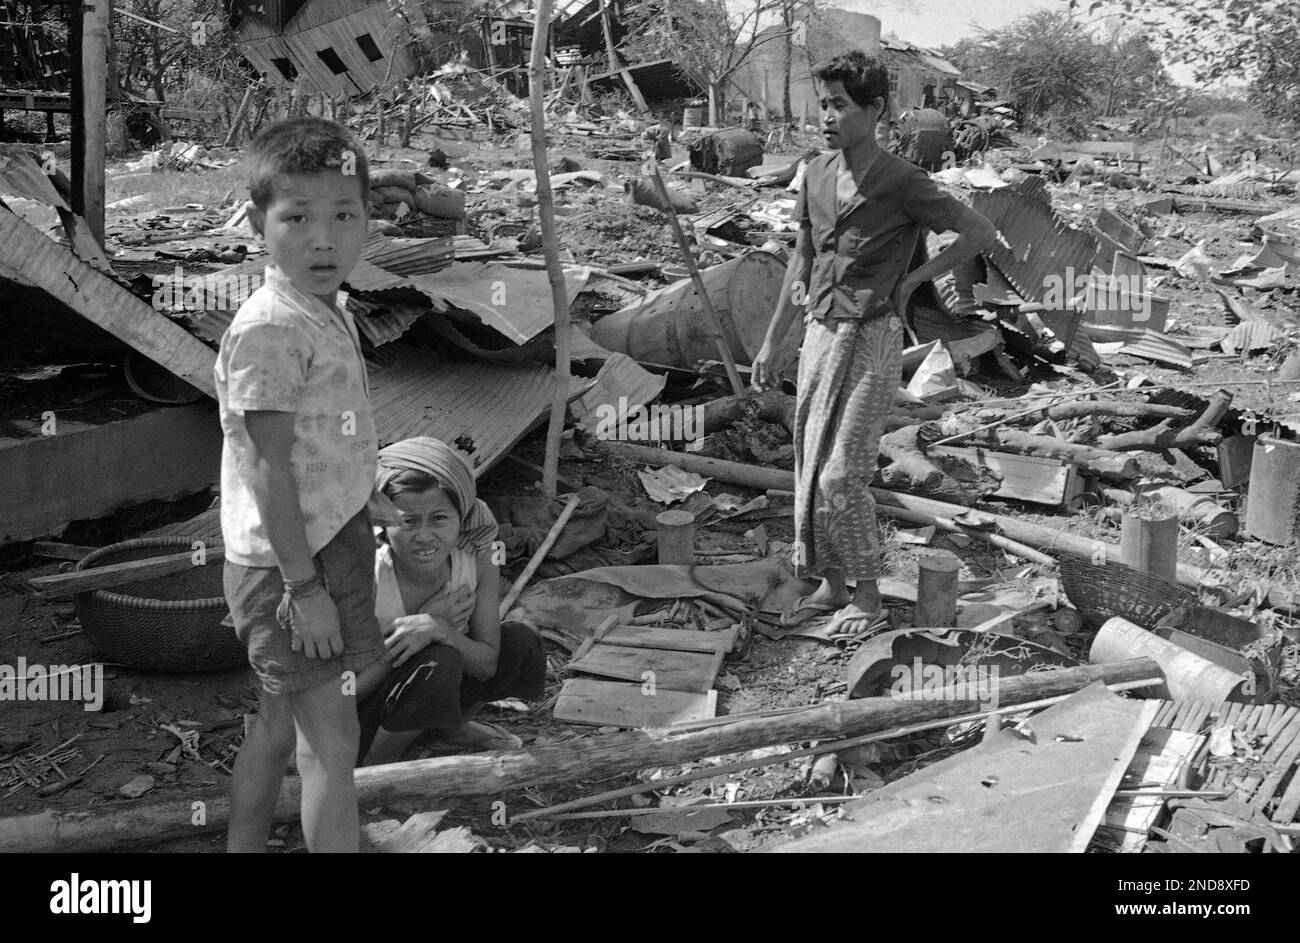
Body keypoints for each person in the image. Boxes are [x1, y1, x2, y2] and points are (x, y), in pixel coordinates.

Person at [750, 51, 996, 638]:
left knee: (843, 475)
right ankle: (831, 584)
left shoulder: (903, 180)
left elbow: (980, 232)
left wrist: (914, 280)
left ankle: (867, 598)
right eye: (824, 104)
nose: (827, 116)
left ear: (875, 109)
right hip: (819, 334)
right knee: (810, 467)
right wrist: (769, 344)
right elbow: (800, 262)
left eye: (839, 105)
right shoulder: (813, 174)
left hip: (874, 339)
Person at [216, 116, 401, 853]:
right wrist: (306, 589)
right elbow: (265, 466)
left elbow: (321, 439)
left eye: (343, 214)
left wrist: (368, 489)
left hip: (323, 543)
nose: (323, 238)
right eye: (297, 217)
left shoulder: (326, 307)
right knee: (332, 738)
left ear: (366, 220)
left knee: (278, 720)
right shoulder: (270, 327)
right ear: (257, 220)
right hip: (291, 565)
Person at [354, 437, 546, 765]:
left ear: (461, 518)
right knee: (438, 661)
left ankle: (444, 729)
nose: (425, 536)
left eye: (440, 518)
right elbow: (343, 693)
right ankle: (373, 771)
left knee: (520, 642)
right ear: (385, 524)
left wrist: (439, 628)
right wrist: (407, 636)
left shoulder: (477, 559)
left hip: (427, 690)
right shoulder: (367, 576)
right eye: (408, 521)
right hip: (360, 718)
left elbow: (486, 664)